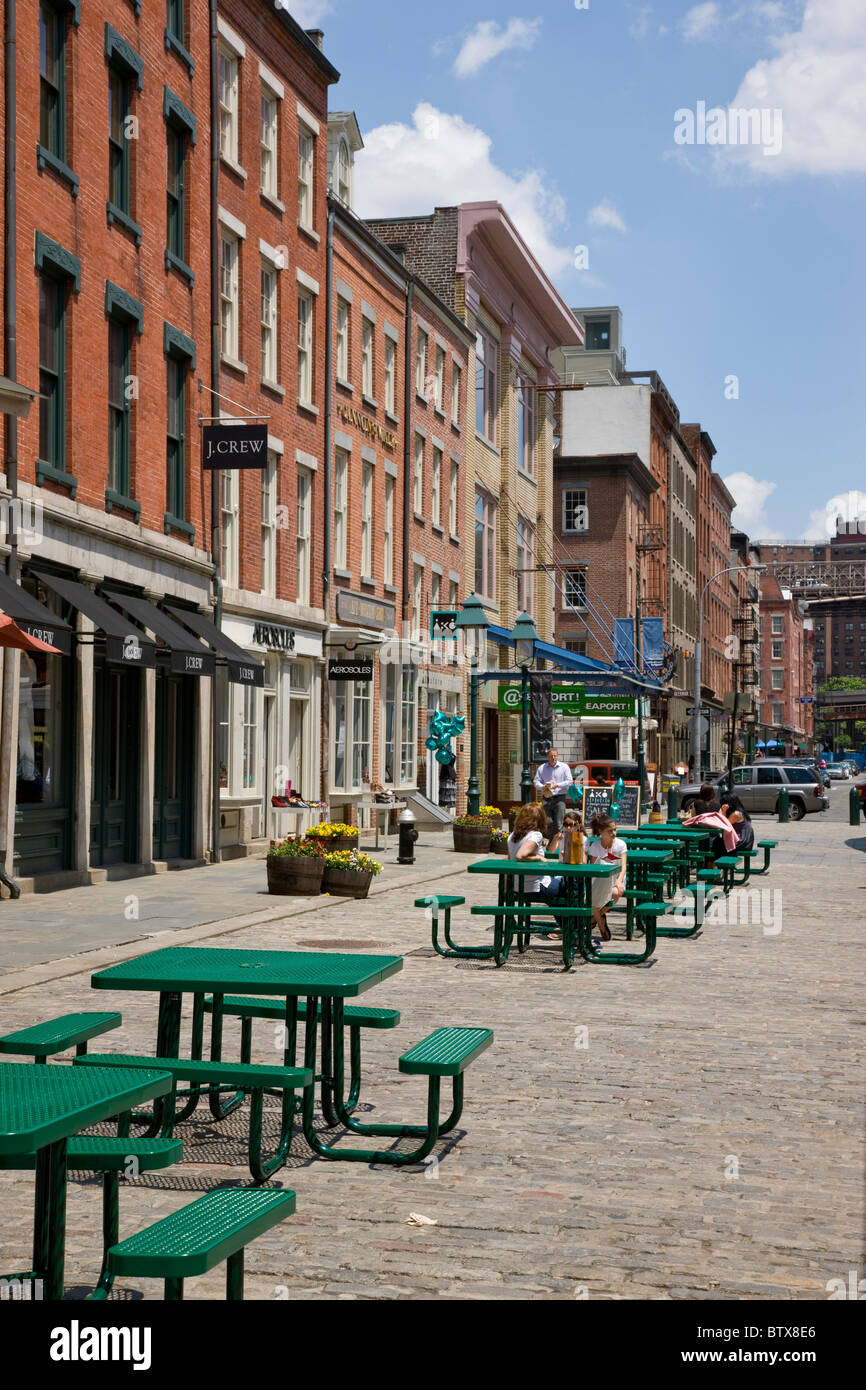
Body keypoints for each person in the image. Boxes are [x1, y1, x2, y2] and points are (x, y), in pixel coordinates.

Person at [506, 803, 564, 925]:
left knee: (559, 892)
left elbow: (509, 861)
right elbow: (520, 856)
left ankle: (565, 928)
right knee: (568, 890)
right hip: (536, 887)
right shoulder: (535, 835)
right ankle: (570, 931)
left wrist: (507, 887)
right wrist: (538, 858)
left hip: (518, 887)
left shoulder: (512, 836)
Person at [584, 812, 627, 943]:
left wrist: (619, 881)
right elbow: (594, 868)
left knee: (616, 892)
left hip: (617, 876)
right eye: (610, 831)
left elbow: (623, 867)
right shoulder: (595, 846)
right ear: (601, 831)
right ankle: (601, 923)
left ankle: (594, 919)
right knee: (592, 895)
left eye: (615, 829)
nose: (613, 833)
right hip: (600, 879)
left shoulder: (620, 845)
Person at [532, 748, 573, 844]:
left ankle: (557, 843)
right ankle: (552, 840)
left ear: (557, 756)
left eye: (555, 756)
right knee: (548, 821)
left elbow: (569, 781)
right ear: (547, 757)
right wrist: (543, 786)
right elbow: (535, 781)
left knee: (559, 822)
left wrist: (557, 785)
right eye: (551, 756)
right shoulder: (542, 768)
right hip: (546, 797)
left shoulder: (564, 767)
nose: (553, 758)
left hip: (560, 797)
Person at [712, 794, 754, 861]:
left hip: (742, 842)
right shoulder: (740, 811)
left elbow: (724, 825)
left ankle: (719, 865)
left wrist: (723, 811)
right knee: (718, 842)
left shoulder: (736, 814)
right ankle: (722, 865)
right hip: (745, 841)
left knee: (717, 843)